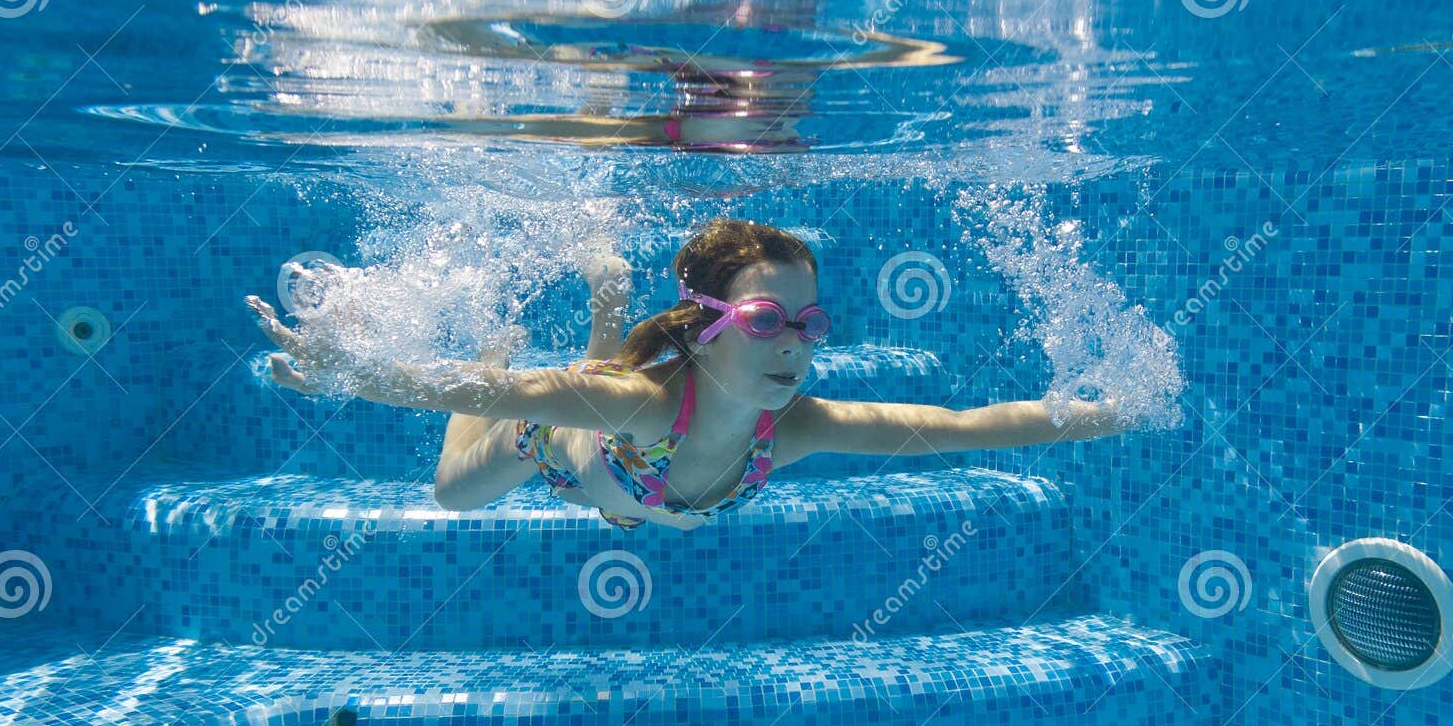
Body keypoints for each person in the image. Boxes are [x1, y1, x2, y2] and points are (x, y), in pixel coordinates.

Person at [247, 218, 1126, 531]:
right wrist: (350, 370)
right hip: (566, 451)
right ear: (705, 329)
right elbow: (475, 395)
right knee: (451, 494)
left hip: (644, 499)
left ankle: (608, 290)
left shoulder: (801, 425)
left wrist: (1109, 412)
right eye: (767, 320)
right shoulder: (642, 401)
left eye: (809, 322)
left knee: (631, 475)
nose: (797, 345)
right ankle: (516, 328)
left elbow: (968, 428)